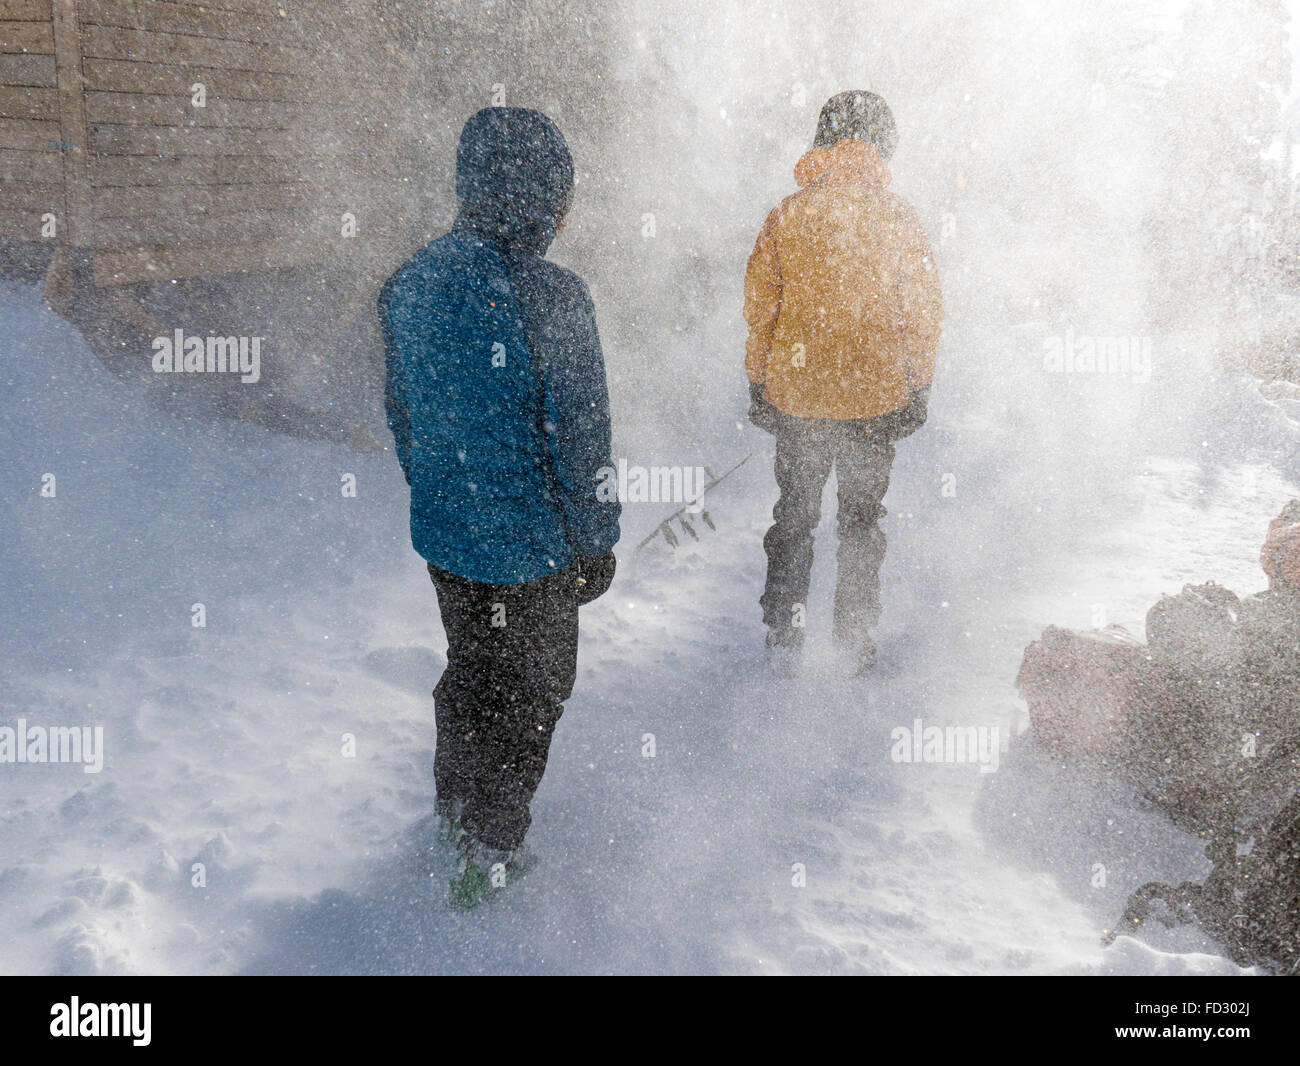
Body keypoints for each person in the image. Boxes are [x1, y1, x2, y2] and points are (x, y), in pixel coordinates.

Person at [378, 107, 620, 904]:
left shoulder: (410, 281)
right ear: (546, 194)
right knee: (533, 693)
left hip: (450, 541)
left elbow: (405, 414)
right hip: (533, 554)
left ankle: (454, 813)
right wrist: (596, 541)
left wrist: (442, 496)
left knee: (471, 674)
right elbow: (581, 438)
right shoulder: (554, 296)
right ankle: (490, 854)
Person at [744, 90, 943, 676]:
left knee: (795, 516)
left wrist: (759, 382)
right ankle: (854, 638)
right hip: (874, 399)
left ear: (821, 140)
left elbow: (762, 309)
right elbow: (923, 312)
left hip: (799, 400)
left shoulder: (785, 215)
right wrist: (918, 385)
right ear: (883, 143)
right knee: (860, 520)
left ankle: (785, 632)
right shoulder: (899, 217)